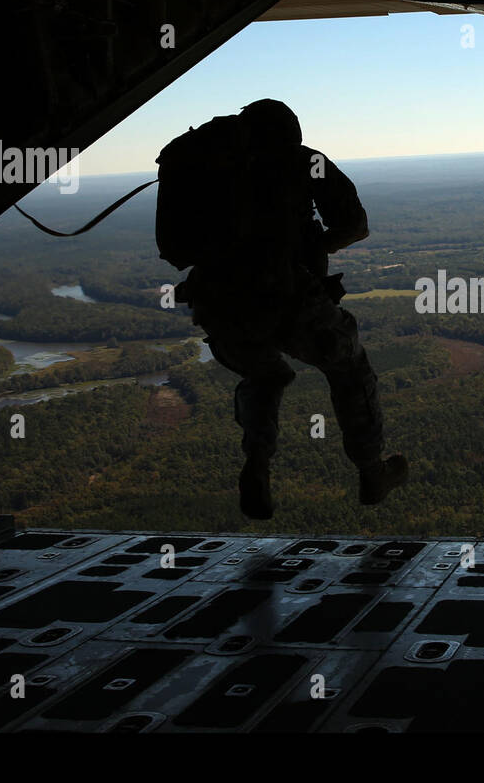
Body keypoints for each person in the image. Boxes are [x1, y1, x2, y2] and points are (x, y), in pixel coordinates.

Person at [173, 99, 407, 518]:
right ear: (290, 133)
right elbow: (355, 225)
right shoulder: (302, 162)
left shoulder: (210, 167)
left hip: (218, 305)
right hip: (286, 297)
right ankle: (372, 471)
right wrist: (311, 248)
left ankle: (258, 465)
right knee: (349, 370)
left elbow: (178, 246)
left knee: (265, 375)